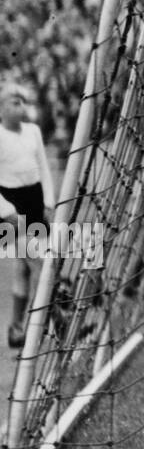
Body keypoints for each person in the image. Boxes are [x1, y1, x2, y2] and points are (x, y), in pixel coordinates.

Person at [0, 79, 56, 348]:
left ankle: (16, 328)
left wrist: (48, 201)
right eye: (14, 102)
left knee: (23, 266)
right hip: (9, 208)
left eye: (23, 102)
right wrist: (6, 211)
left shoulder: (32, 131)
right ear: (1, 108)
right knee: (39, 261)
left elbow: (43, 167)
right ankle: (60, 317)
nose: (20, 107)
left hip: (34, 201)